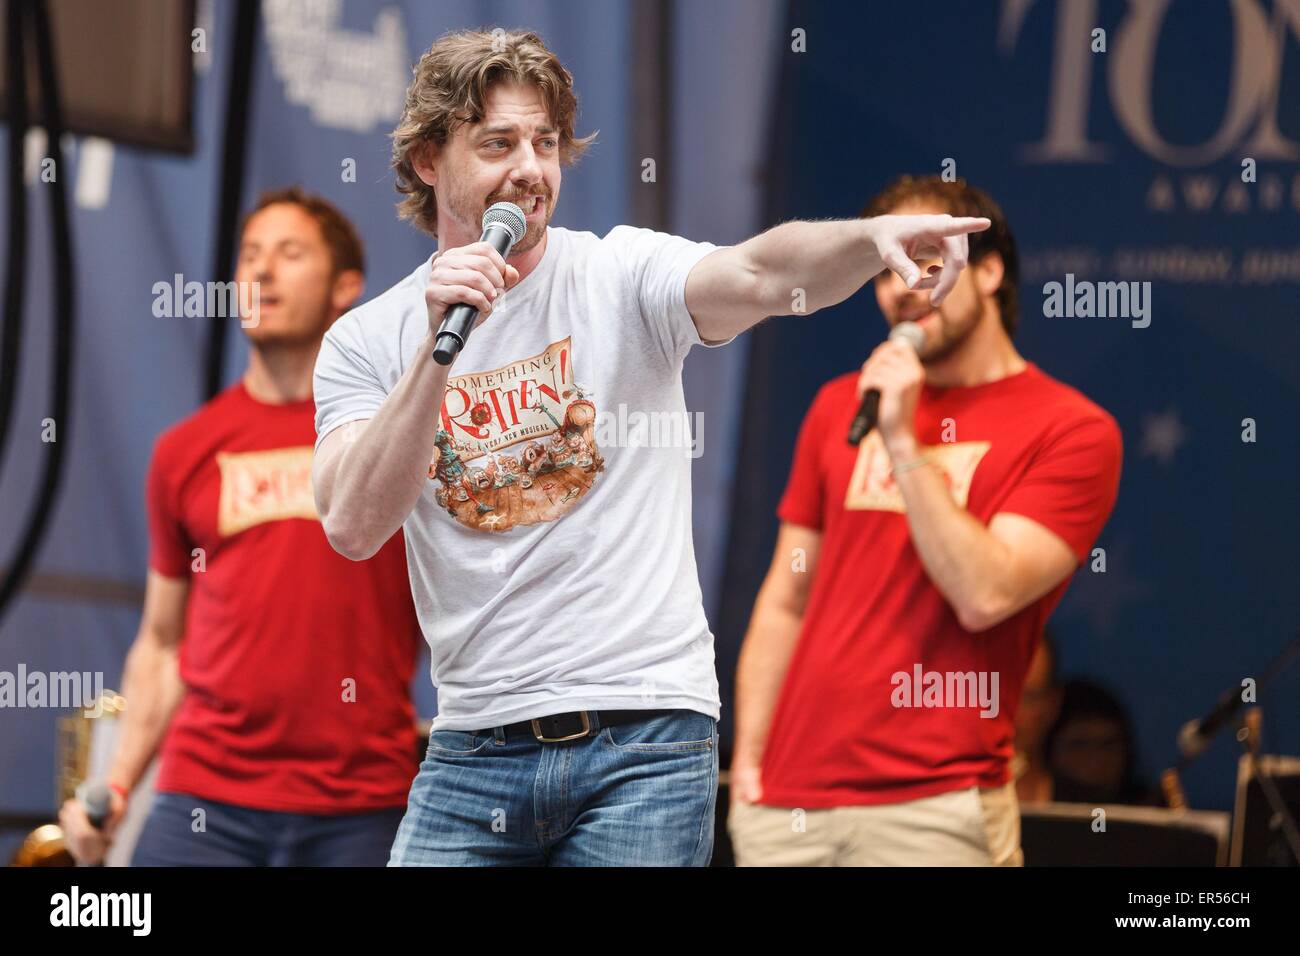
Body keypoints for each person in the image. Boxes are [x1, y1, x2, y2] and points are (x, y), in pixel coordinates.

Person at [311, 30, 990, 866]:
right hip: (472, 750)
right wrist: (434, 351)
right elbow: (352, 523)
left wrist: (867, 239)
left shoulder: (619, 273)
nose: (530, 168)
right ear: (426, 159)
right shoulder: (366, 340)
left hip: (645, 740)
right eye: (497, 143)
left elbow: (760, 276)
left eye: (546, 142)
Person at [728, 176, 1123, 866]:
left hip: (935, 807)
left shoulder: (1073, 431)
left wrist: (906, 443)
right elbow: (787, 598)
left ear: (991, 269)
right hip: (786, 807)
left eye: (925, 259)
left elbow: (986, 594)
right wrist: (749, 770)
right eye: (884, 268)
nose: (901, 285)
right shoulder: (837, 406)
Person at [59, 188, 423, 866]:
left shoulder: (393, 439)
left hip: (364, 805)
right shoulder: (186, 449)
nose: (260, 272)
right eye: (249, 255)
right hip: (206, 801)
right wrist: (115, 783)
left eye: (289, 253)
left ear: (346, 286)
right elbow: (162, 642)